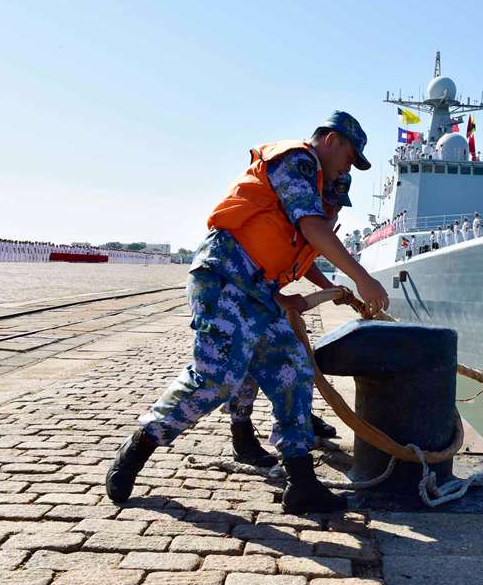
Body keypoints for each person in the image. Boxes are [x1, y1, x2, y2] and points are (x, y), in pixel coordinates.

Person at [105, 111, 389, 515]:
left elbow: (301, 245)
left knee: (292, 371)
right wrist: (362, 279)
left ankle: (302, 484)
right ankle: (139, 446)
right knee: (215, 379)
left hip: (258, 292)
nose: (350, 165)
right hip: (224, 277)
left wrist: (328, 289)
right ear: (331, 139)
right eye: (351, 155)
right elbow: (311, 226)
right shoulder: (298, 162)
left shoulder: (319, 181)